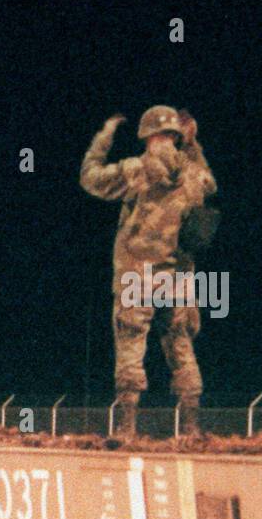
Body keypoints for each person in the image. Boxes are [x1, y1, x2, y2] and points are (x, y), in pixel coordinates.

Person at [80, 105, 217, 436]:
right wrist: (193, 145)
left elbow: (89, 177)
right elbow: (209, 185)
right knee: (182, 347)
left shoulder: (135, 169)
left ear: (146, 135)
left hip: (136, 276)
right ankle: (191, 428)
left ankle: (127, 428)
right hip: (179, 278)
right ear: (176, 135)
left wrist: (105, 135)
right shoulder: (194, 174)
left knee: (130, 345)